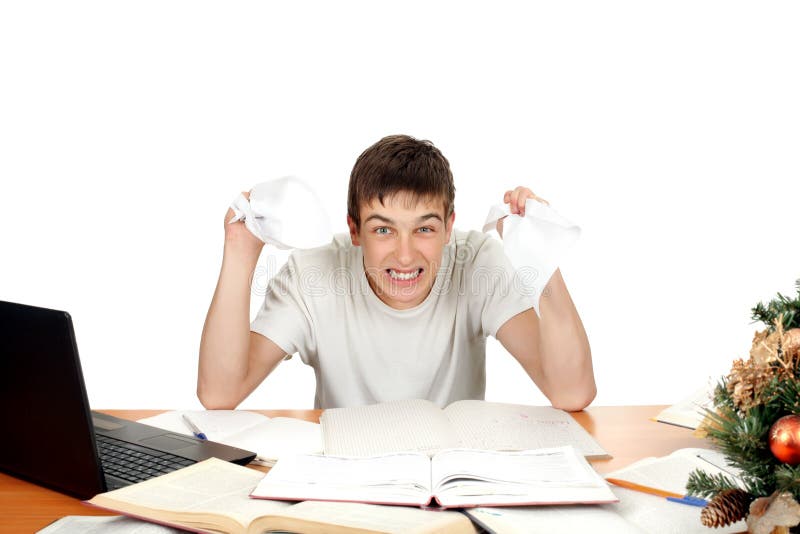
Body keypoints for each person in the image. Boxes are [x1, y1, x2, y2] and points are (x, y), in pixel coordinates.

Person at [198, 135, 595, 410]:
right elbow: (219, 394)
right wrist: (240, 250)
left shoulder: (475, 262)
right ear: (354, 230)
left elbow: (571, 392)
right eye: (383, 229)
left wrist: (541, 254)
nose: (405, 256)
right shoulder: (312, 272)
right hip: (345, 487)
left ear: (448, 227)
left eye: (424, 228)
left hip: (452, 486)